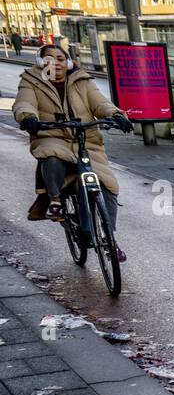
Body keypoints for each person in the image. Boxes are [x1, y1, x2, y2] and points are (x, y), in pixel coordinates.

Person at [13, 43, 132, 260]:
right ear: (41, 62)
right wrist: (28, 118)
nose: (55, 62)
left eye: (60, 58)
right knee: (50, 155)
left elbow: (100, 104)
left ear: (67, 61)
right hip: (52, 136)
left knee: (109, 186)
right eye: (49, 58)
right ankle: (55, 201)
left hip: (85, 140)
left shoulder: (81, 80)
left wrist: (116, 115)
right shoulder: (31, 81)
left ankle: (110, 239)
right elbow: (24, 103)